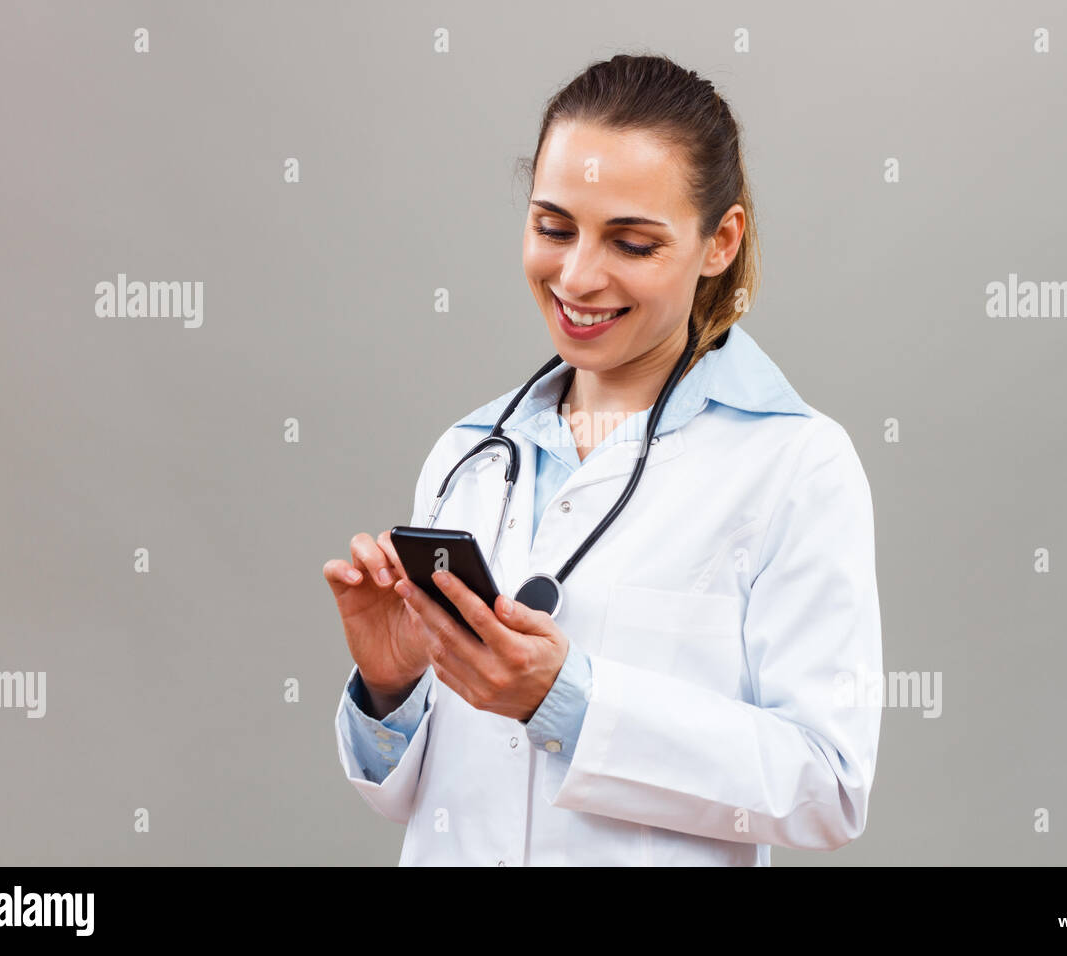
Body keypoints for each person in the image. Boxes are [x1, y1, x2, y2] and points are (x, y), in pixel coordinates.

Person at [323, 53, 882, 866]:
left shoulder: (797, 464)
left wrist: (570, 702)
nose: (578, 277)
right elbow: (417, 796)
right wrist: (391, 685)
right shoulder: (470, 457)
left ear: (720, 241)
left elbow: (827, 789)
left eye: (631, 242)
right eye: (554, 228)